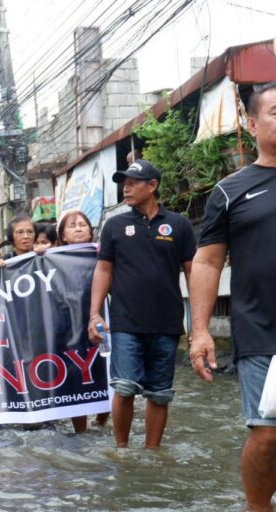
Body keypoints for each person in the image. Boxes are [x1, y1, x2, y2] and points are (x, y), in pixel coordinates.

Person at [189, 82, 276, 512]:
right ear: (252, 122)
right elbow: (207, 262)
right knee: (267, 434)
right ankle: (258, 507)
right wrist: (200, 331)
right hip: (260, 327)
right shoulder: (230, 190)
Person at [88, 160, 195, 449]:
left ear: (153, 185)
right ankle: (121, 450)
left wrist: (198, 322)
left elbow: (192, 271)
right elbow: (103, 270)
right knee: (123, 388)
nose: (127, 187)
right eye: (124, 183)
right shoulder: (114, 226)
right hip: (125, 322)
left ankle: (152, 452)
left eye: (134, 182)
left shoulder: (179, 224)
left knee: (160, 394)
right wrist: (95, 313)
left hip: (167, 322)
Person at [55, 210, 110, 433]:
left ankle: (101, 421)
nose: (78, 228)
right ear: (63, 236)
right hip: (68, 327)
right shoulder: (52, 258)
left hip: (101, 322)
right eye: (71, 226)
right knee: (76, 376)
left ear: (90, 231)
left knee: (104, 372)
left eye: (82, 224)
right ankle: (80, 431)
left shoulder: (103, 254)